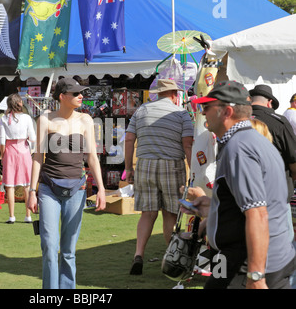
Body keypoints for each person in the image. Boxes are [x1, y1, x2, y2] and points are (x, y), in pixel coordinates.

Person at [189, 80, 295, 289]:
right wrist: (214, 207)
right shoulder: (250, 140)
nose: (203, 113)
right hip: (259, 256)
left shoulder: (239, 147)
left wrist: (256, 276)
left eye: (207, 107)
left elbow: (258, 213)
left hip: (246, 261)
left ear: (226, 111)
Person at [27, 77, 106, 289]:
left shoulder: (86, 120)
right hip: (48, 189)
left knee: (69, 250)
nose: (81, 96)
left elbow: (92, 157)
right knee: (50, 247)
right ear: (62, 96)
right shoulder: (45, 120)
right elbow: (37, 157)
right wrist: (31, 191)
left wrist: (101, 189)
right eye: (76, 93)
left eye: (82, 93)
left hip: (77, 189)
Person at [124, 78, 194, 275]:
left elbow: (129, 139)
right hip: (172, 164)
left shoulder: (142, 110)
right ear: (174, 94)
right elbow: (187, 144)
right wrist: (194, 171)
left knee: (148, 213)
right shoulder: (181, 113)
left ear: (157, 93)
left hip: (145, 164)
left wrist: (129, 168)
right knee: (170, 213)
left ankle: (138, 254)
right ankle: (170, 257)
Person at [0, 93, 36, 224]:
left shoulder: (4, 118)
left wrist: (3, 156)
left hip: (9, 151)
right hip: (24, 150)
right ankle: (28, 216)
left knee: (10, 185)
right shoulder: (26, 118)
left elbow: (2, 140)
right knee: (27, 184)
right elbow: (32, 137)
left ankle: (12, 216)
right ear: (20, 104)